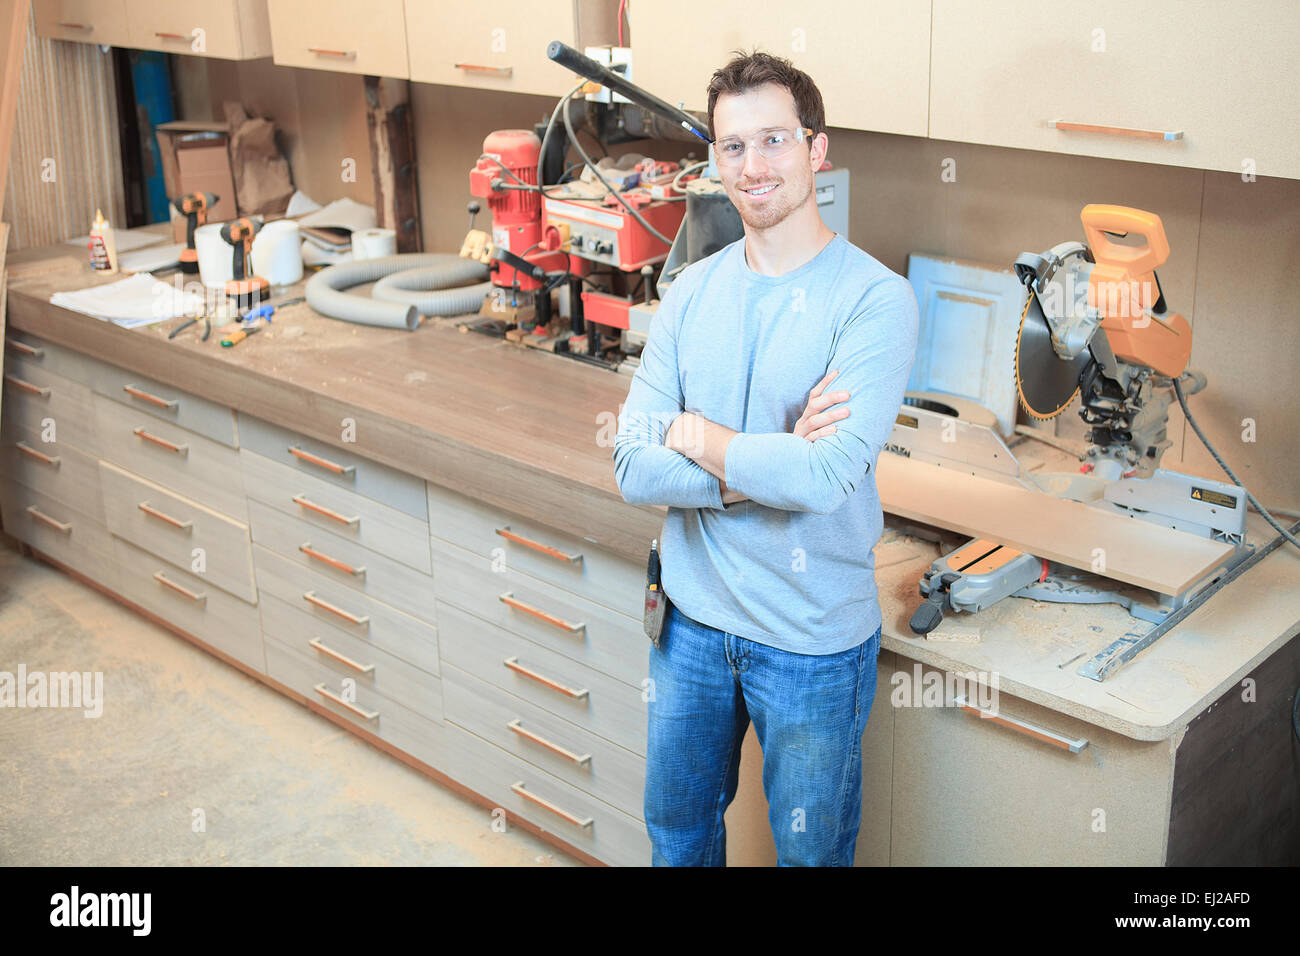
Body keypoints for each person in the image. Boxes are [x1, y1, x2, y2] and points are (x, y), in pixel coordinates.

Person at [612, 50, 919, 866]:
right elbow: (633, 465)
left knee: (812, 858)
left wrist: (704, 439)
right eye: (734, 146)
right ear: (716, 160)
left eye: (775, 141)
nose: (754, 166)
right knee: (676, 835)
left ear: (817, 150)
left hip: (811, 638)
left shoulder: (874, 301)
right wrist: (764, 469)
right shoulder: (689, 293)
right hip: (691, 624)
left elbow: (823, 479)